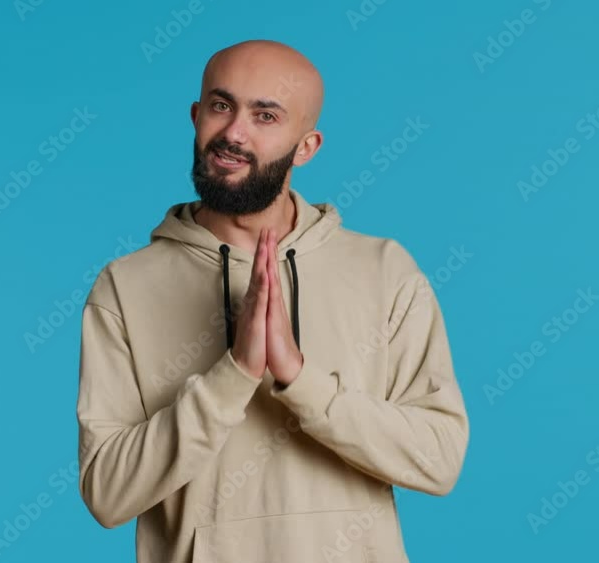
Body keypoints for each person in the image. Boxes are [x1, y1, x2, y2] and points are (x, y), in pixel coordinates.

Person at [76, 39, 469, 563]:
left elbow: (439, 460)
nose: (234, 133)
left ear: (306, 146)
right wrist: (234, 374)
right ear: (196, 117)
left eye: (265, 116)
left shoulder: (384, 271)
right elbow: (107, 493)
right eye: (221, 106)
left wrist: (300, 381)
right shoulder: (125, 286)